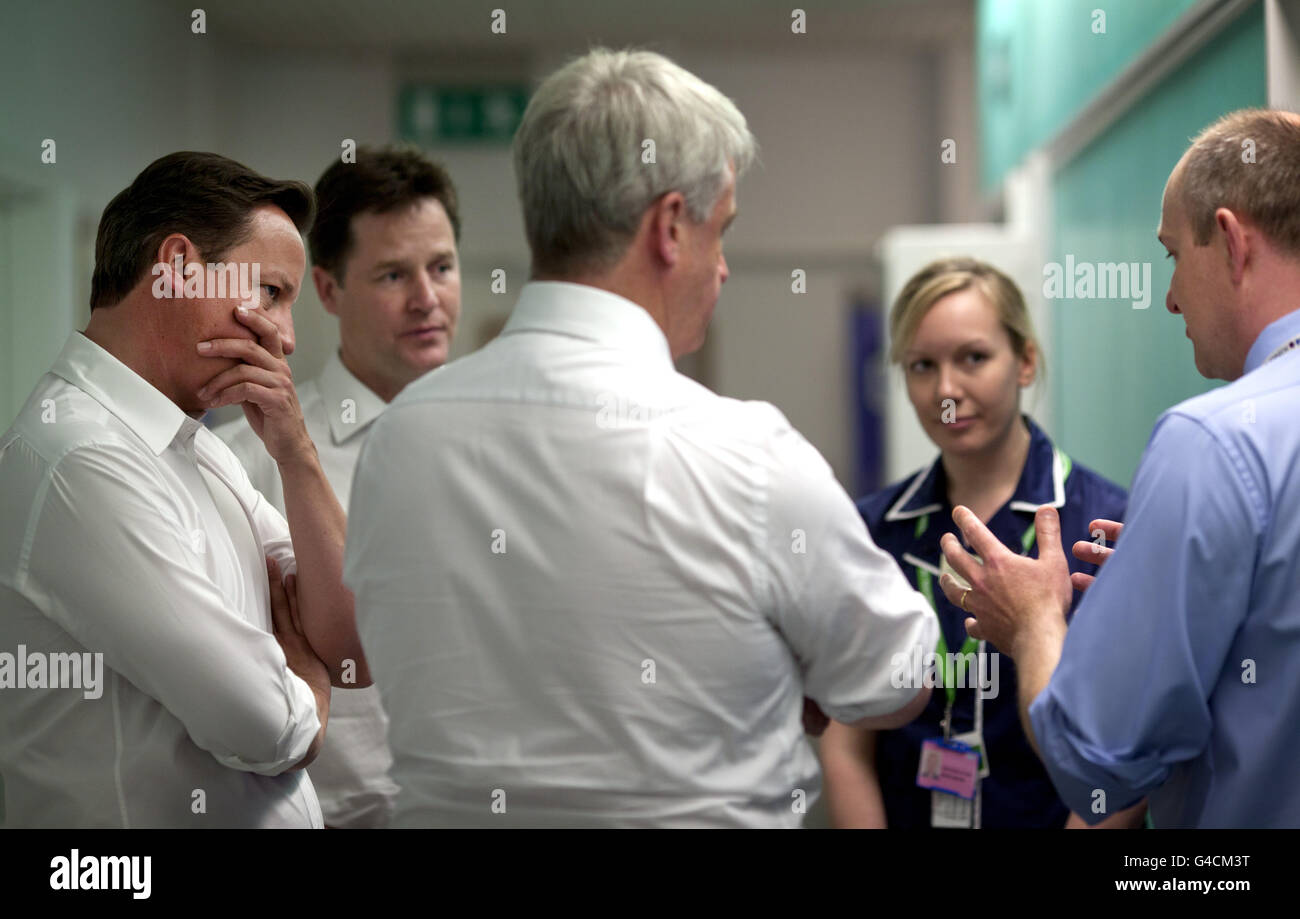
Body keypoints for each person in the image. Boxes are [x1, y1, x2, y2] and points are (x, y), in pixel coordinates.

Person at [342, 47, 938, 827]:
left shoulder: (397, 444)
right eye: (719, 231)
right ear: (667, 228)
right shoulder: (748, 456)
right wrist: (783, 674)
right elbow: (898, 672)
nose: (721, 268)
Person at [938, 109, 1300, 828]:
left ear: (1229, 241)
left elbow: (1096, 763)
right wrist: (1172, 603)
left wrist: (1035, 622)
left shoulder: (1213, 442)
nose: (1169, 297)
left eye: (1172, 255)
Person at [0, 151, 365, 827]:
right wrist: (306, 687)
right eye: (271, 293)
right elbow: (267, 727)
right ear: (175, 266)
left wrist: (297, 454)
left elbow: (351, 645)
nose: (284, 338)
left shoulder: (203, 450)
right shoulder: (79, 456)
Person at [819, 257, 1144, 828]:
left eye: (973, 358)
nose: (947, 391)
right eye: (922, 365)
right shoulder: (873, 530)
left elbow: (1129, 750)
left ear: (1024, 362)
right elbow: (848, 740)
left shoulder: (1105, 525)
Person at [217, 146, 462, 828]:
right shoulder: (246, 459)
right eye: (392, 274)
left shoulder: (504, 447)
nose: (427, 299)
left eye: (441, 267)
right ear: (326, 290)